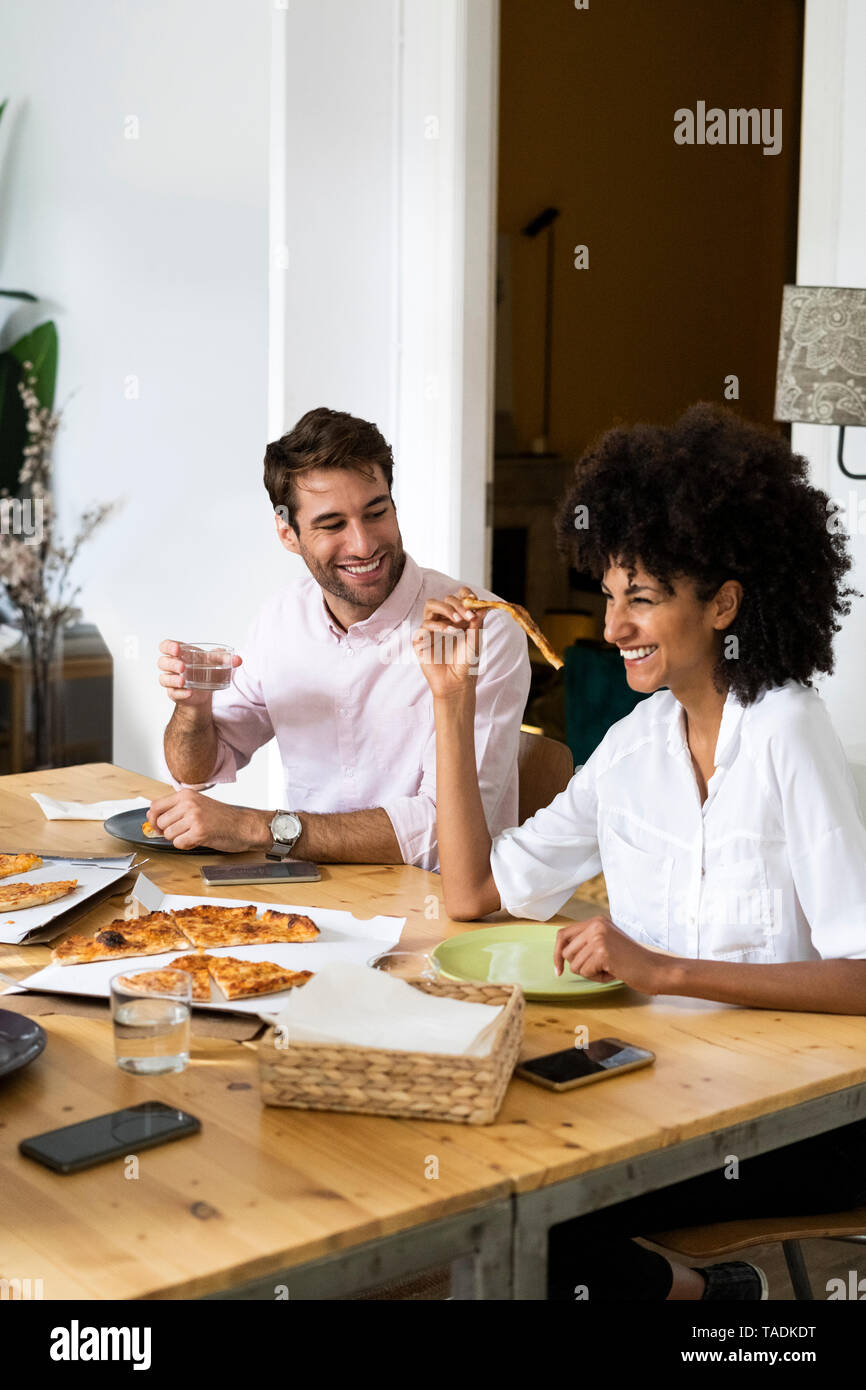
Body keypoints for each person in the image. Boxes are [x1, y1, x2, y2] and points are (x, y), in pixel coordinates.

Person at [413, 402, 866, 1300]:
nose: (613, 627)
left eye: (644, 600)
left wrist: (663, 969)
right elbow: (471, 892)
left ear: (725, 603)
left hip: (793, 1122)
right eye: (611, 596)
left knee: (546, 1228)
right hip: (657, 1092)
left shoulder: (788, 731)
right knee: (474, 1182)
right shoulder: (635, 743)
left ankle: (718, 1302)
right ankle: (714, 1295)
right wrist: (450, 704)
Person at [151, 407, 530, 866]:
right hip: (307, 899)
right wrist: (193, 709)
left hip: (430, 907)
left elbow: (443, 834)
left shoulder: (481, 631)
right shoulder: (281, 619)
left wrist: (256, 828)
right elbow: (196, 770)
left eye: (376, 512)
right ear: (287, 533)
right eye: (332, 525)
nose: (364, 544)